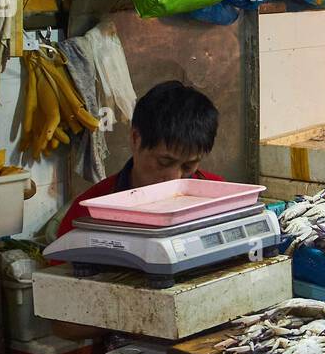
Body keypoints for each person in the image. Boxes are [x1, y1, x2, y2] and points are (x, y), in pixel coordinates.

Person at [56, 80, 223, 238]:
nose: (174, 179)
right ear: (136, 138)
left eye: (188, 166)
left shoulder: (220, 198)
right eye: (164, 162)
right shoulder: (89, 212)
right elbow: (58, 267)